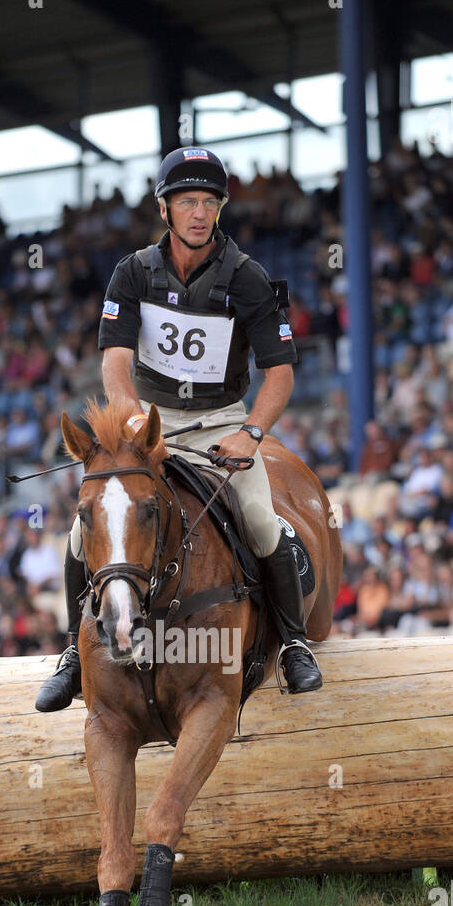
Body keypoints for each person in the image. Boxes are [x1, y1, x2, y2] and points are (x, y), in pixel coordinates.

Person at [35, 146, 322, 711]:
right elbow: (116, 359)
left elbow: (280, 374)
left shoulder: (247, 279)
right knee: (79, 532)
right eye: (187, 202)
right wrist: (133, 416)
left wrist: (253, 434)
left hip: (219, 421)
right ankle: (74, 650)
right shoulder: (133, 273)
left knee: (263, 521)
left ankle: (293, 642)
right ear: (165, 209)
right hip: (150, 421)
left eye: (209, 203)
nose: (199, 213)